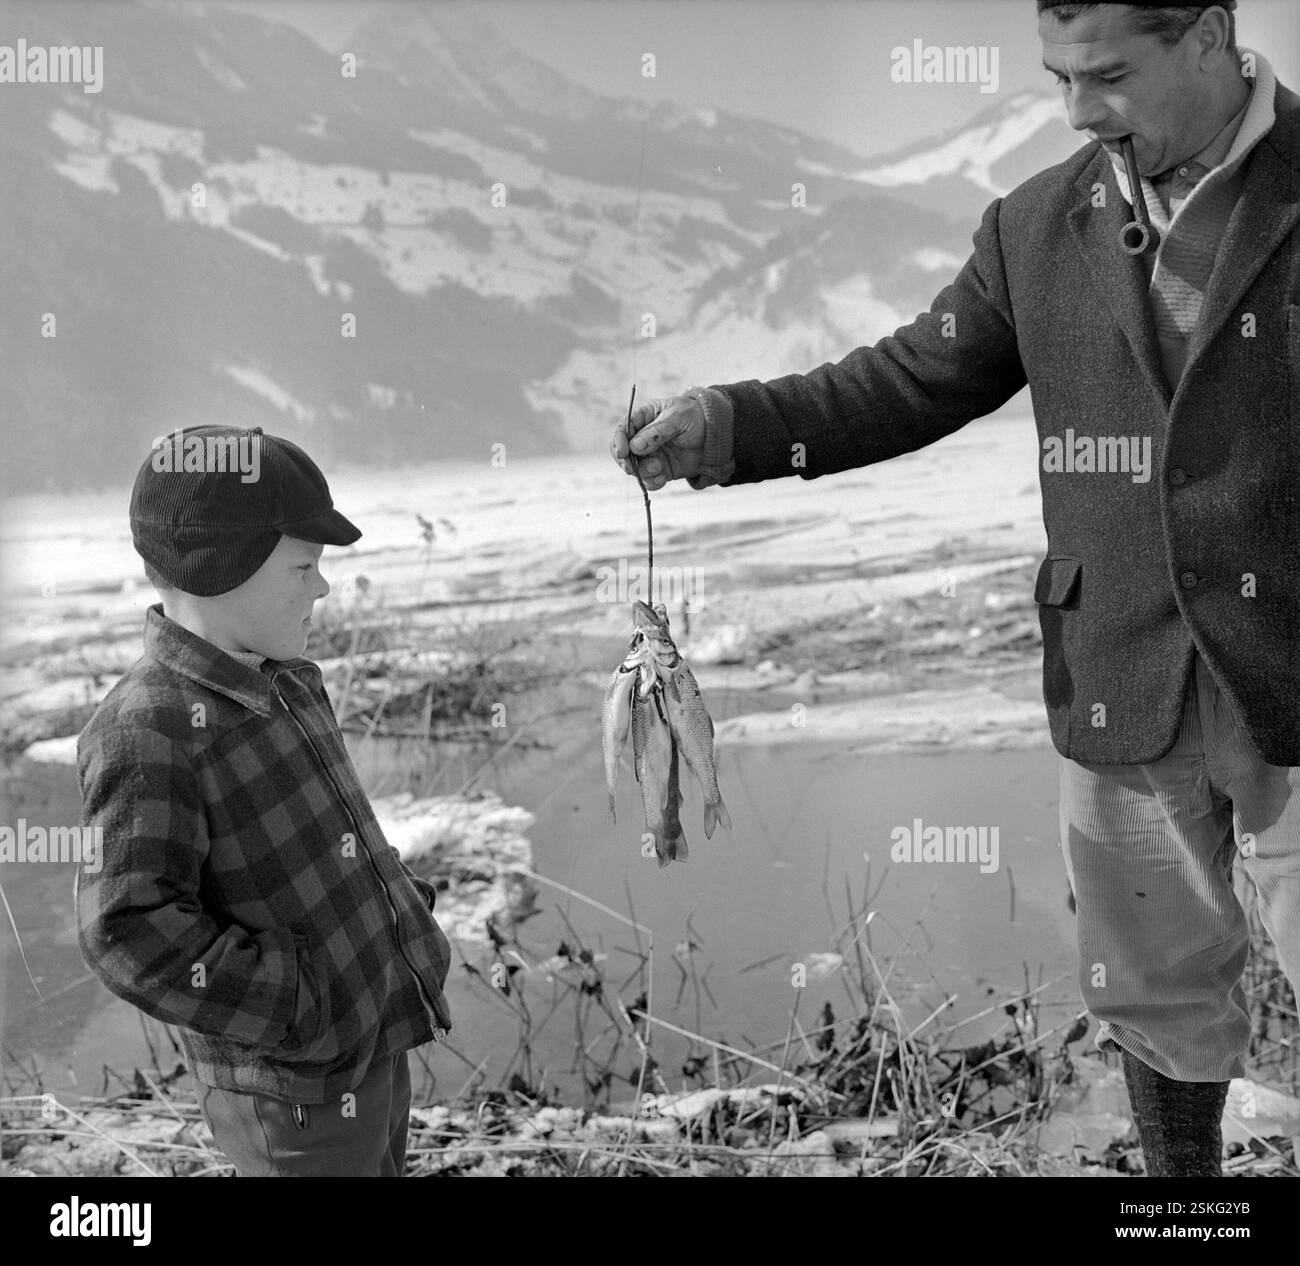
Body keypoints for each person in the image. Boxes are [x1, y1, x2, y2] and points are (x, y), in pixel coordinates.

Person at [612, 1, 1299, 1178]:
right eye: (1056, 78)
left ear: (1210, 35)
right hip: (1122, 672)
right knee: (1150, 985)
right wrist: (731, 428)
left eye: (1108, 76)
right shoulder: (1035, 225)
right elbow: (906, 381)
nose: (1078, 110)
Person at [75, 424, 454, 1176]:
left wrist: (393, 914)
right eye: (303, 567)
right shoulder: (146, 727)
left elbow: (335, 830)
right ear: (220, 568)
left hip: (368, 1034)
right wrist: (296, 1005)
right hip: (293, 1092)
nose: (321, 586)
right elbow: (126, 929)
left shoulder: (286, 677)